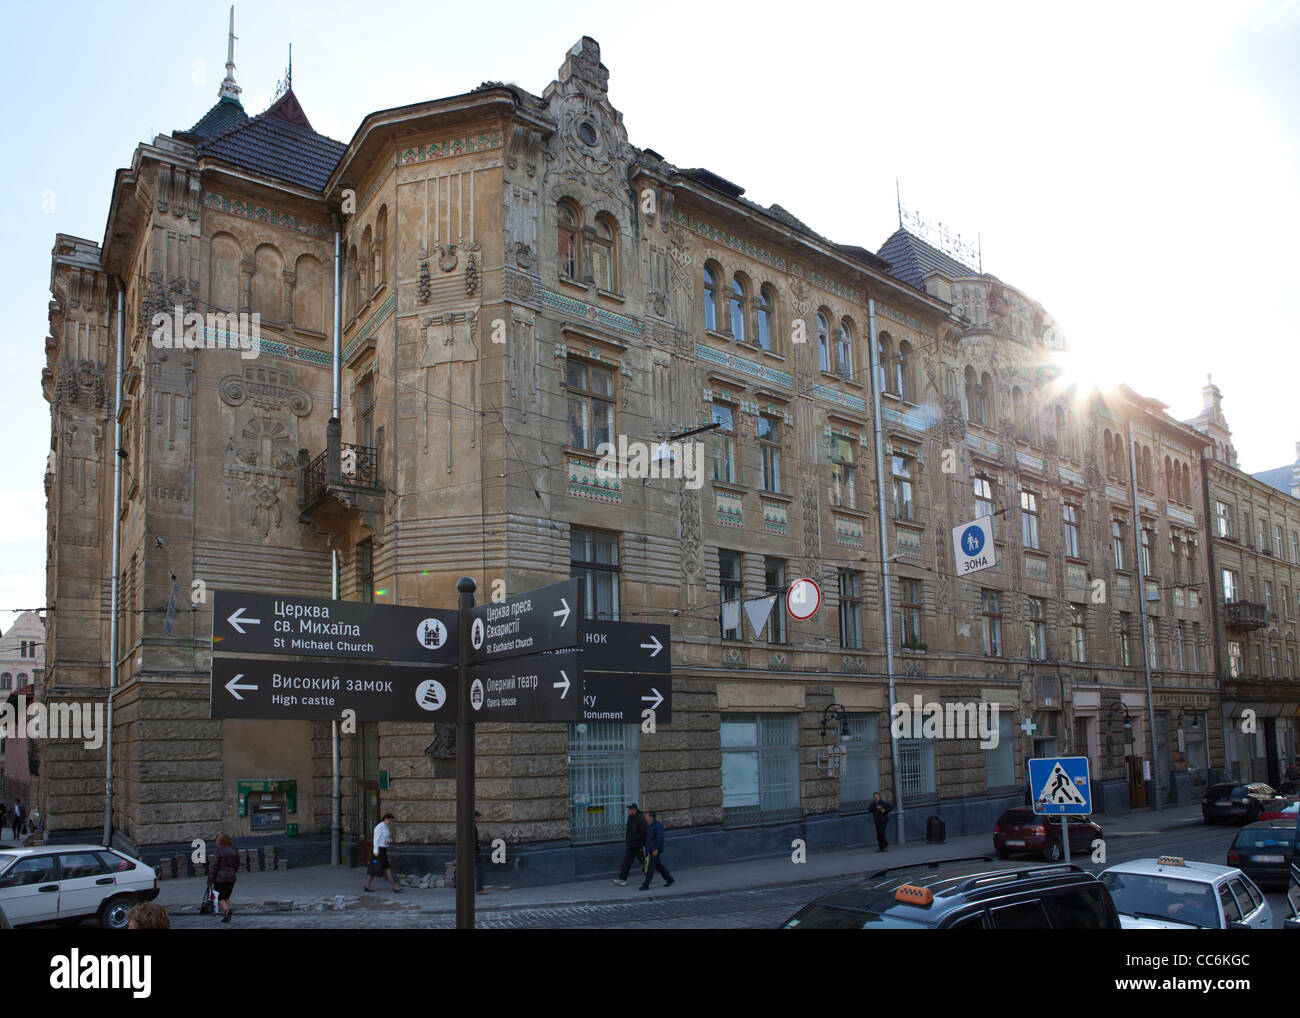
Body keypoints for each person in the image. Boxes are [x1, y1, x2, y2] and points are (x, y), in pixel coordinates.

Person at [364, 812, 401, 893]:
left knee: (381, 867)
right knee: (379, 867)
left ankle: (368, 884)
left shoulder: (386, 827)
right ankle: (394, 886)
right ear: (386, 819)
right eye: (390, 820)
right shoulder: (379, 827)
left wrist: (388, 841)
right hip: (378, 852)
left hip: (383, 850)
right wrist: (375, 851)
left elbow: (386, 838)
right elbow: (376, 840)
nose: (391, 822)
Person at [638, 810, 674, 891]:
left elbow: (660, 838)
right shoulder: (649, 826)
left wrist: (657, 849)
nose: (645, 818)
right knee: (659, 866)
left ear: (651, 817)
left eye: (646, 816)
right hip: (650, 849)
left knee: (650, 867)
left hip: (654, 849)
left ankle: (646, 884)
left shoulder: (657, 826)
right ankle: (669, 879)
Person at [209, 834, 240, 923]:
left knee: (218, 897)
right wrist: (233, 871)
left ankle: (227, 911)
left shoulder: (219, 851)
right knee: (226, 896)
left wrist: (210, 879)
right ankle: (226, 915)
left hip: (220, 878)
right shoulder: (234, 850)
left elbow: (213, 867)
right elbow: (237, 863)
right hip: (231, 877)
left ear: (220, 841)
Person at [613, 803, 646, 886]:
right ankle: (622, 879)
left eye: (630, 809)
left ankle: (649, 875)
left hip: (638, 844)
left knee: (643, 862)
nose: (629, 811)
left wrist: (635, 838)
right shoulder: (631, 818)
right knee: (626, 862)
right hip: (631, 844)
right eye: (628, 809)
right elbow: (629, 831)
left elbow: (643, 831)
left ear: (634, 810)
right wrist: (628, 840)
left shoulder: (640, 818)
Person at [474, 810, 488, 895]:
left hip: (472, 851)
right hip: (474, 852)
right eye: (477, 817)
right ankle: (479, 889)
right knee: (480, 870)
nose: (478, 819)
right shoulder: (472, 826)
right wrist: (477, 846)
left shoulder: (471, 826)